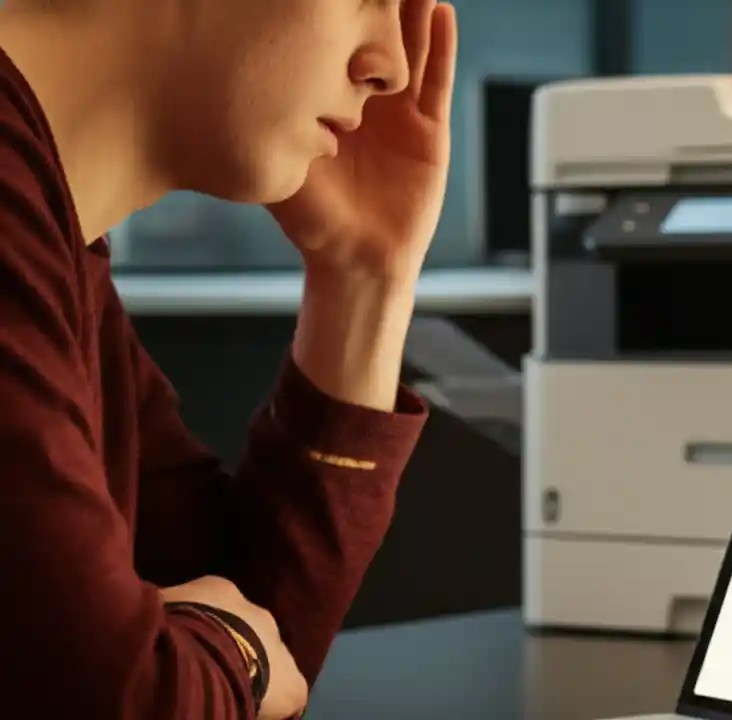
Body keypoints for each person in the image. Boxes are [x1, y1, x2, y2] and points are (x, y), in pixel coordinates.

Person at [0, 0, 457, 717]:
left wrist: (363, 277)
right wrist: (229, 646)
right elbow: (116, 696)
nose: (392, 68)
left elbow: (260, 640)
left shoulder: (52, 247)